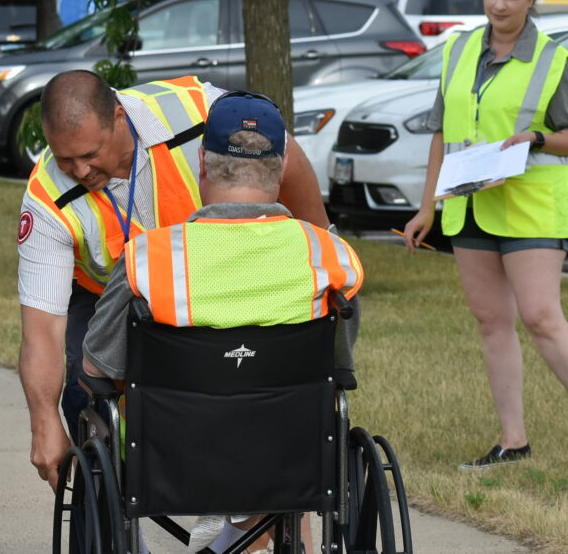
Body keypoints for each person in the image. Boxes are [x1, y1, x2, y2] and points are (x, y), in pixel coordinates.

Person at [17, 71, 329, 491]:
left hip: (213, 277)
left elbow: (282, 153)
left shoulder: (198, 109)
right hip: (108, 297)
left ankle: (240, 510)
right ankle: (116, 503)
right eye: (64, 159)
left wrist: (320, 246)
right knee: (84, 378)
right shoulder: (46, 198)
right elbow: (42, 331)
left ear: (119, 117)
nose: (80, 170)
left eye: (90, 153)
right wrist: (44, 424)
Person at [82, 90, 362, 554]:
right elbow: (340, 367)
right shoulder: (329, 257)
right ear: (283, 162)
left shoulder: (148, 260)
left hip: (168, 458)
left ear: (202, 163)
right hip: (289, 456)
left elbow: (98, 370)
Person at [401, 0, 568, 477]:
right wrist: (427, 207)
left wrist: (536, 139)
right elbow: (442, 132)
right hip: (469, 206)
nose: (499, 5)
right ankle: (512, 442)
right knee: (490, 321)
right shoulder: (457, 50)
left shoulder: (554, 60)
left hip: (531, 207)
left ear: (531, 0)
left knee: (542, 317)